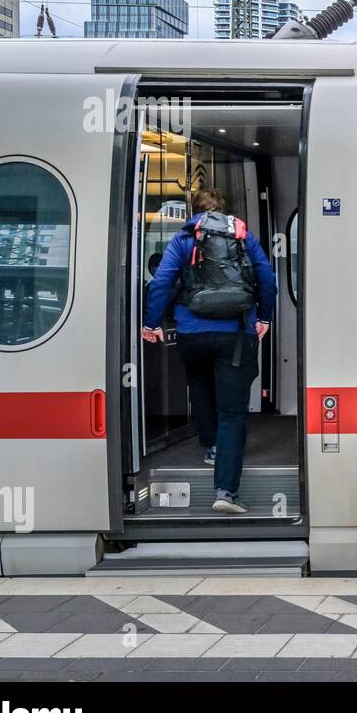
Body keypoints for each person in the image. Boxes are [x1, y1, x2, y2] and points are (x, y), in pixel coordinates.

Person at [142, 188, 277, 514]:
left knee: (199, 386)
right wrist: (264, 317)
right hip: (234, 334)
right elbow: (268, 280)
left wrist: (152, 322)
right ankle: (226, 492)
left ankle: (213, 446)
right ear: (224, 210)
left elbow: (161, 282)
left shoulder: (183, 240)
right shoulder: (244, 238)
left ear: (194, 210)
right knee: (232, 412)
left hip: (191, 333)